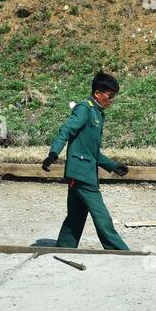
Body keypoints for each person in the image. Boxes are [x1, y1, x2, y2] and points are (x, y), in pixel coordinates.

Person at [41, 72, 130, 250]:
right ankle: (120, 251)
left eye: (113, 97)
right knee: (102, 216)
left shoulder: (97, 113)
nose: (111, 100)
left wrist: (113, 166)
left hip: (82, 172)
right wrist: (53, 153)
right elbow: (66, 130)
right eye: (109, 96)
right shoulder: (85, 109)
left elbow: (92, 151)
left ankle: (65, 247)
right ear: (97, 93)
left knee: (76, 215)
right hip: (81, 174)